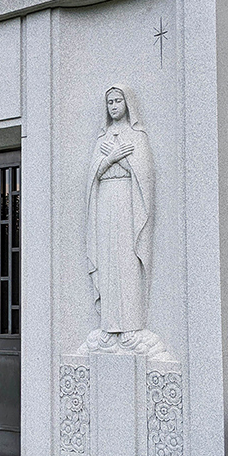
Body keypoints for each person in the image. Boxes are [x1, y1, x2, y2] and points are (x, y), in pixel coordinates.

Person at [86, 86, 154, 337]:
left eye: (118, 101)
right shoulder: (102, 139)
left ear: (127, 103)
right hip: (105, 199)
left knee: (126, 258)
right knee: (107, 258)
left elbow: (144, 176)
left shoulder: (137, 136)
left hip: (127, 201)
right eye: (110, 102)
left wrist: (118, 158)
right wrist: (110, 158)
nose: (113, 106)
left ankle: (131, 323)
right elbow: (94, 176)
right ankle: (109, 323)